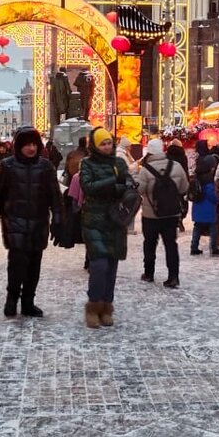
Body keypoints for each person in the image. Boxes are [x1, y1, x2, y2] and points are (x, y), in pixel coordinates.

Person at [0, 125, 62, 318]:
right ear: (19, 146)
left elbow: (55, 197)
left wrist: (58, 221)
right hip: (14, 223)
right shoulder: (7, 166)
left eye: (34, 144)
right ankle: (12, 299)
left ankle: (28, 301)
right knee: (17, 264)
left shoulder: (45, 167)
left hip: (39, 223)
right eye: (27, 144)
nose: (31, 148)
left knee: (34, 265)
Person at [80, 127, 131, 327]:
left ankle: (107, 307)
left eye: (109, 142)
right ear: (94, 145)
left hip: (115, 220)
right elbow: (88, 187)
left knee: (111, 267)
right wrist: (113, 182)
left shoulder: (119, 162)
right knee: (99, 265)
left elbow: (128, 184)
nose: (107, 146)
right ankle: (93, 307)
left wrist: (119, 185)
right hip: (94, 220)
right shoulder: (87, 164)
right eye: (103, 143)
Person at [135, 138, 189, 287]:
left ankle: (149, 273)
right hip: (171, 213)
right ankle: (173, 277)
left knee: (150, 244)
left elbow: (139, 190)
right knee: (171, 244)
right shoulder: (176, 166)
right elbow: (184, 188)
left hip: (151, 214)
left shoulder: (145, 170)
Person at [189, 139, 219, 257]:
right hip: (208, 206)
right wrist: (217, 200)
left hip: (198, 206)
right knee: (213, 226)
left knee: (197, 227)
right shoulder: (208, 179)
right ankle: (214, 247)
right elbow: (210, 193)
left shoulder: (197, 176)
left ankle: (194, 247)